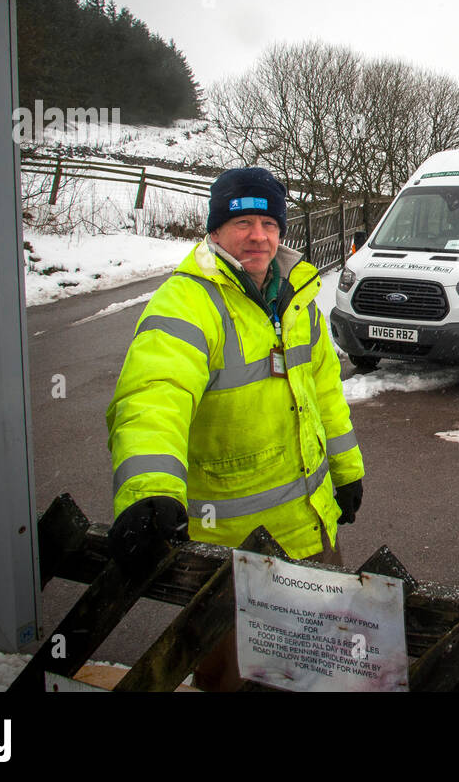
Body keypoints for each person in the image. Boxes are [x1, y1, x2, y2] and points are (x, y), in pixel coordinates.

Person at [105, 167, 364, 575]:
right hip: (229, 553)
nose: (258, 236)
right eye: (242, 222)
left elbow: (326, 393)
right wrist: (150, 491)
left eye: (268, 223)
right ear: (215, 231)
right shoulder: (186, 303)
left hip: (312, 534)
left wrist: (347, 471)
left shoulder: (298, 300)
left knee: (329, 618)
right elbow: (154, 396)